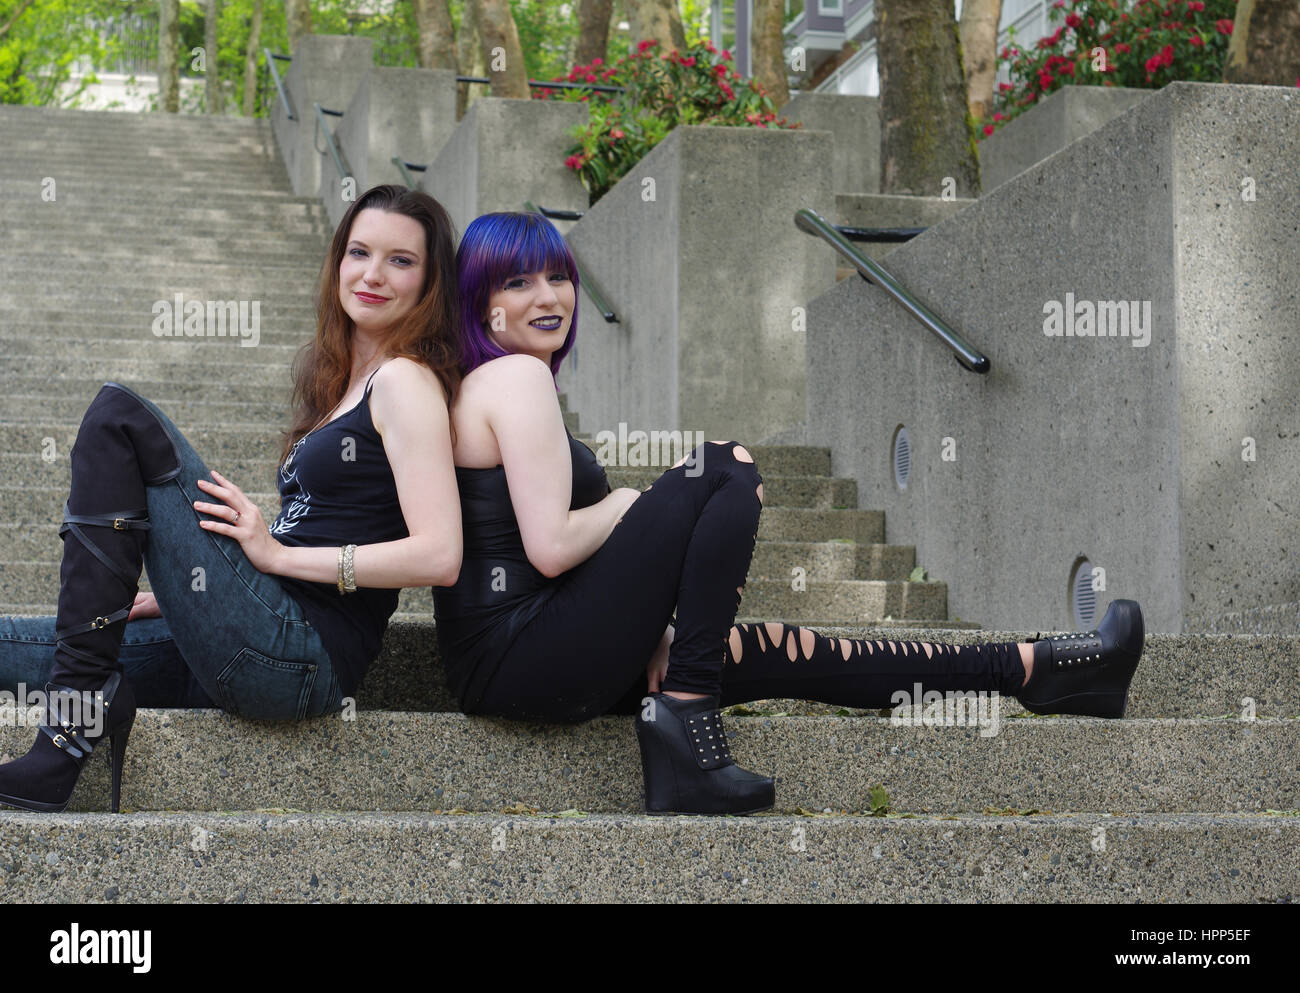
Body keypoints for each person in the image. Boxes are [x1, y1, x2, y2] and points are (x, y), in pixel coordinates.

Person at [434, 210, 1146, 816]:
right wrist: (627, 503)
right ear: (478, 302)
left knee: (792, 650)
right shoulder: (515, 376)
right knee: (723, 467)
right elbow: (553, 546)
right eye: (517, 281)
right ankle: (686, 710)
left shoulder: (488, 386)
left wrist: (648, 627)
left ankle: (1039, 670)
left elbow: (553, 566)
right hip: (527, 653)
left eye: (558, 275)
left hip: (527, 661)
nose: (548, 294)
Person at [0, 185, 463, 813]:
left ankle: (66, 733)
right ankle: (84, 697)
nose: (373, 275)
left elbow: (440, 555)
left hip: (294, 653)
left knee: (119, 417)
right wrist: (185, 595)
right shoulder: (341, 385)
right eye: (359, 252)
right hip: (251, 632)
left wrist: (275, 558)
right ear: (337, 261)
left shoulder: (405, 381)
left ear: (431, 281)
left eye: (400, 261)